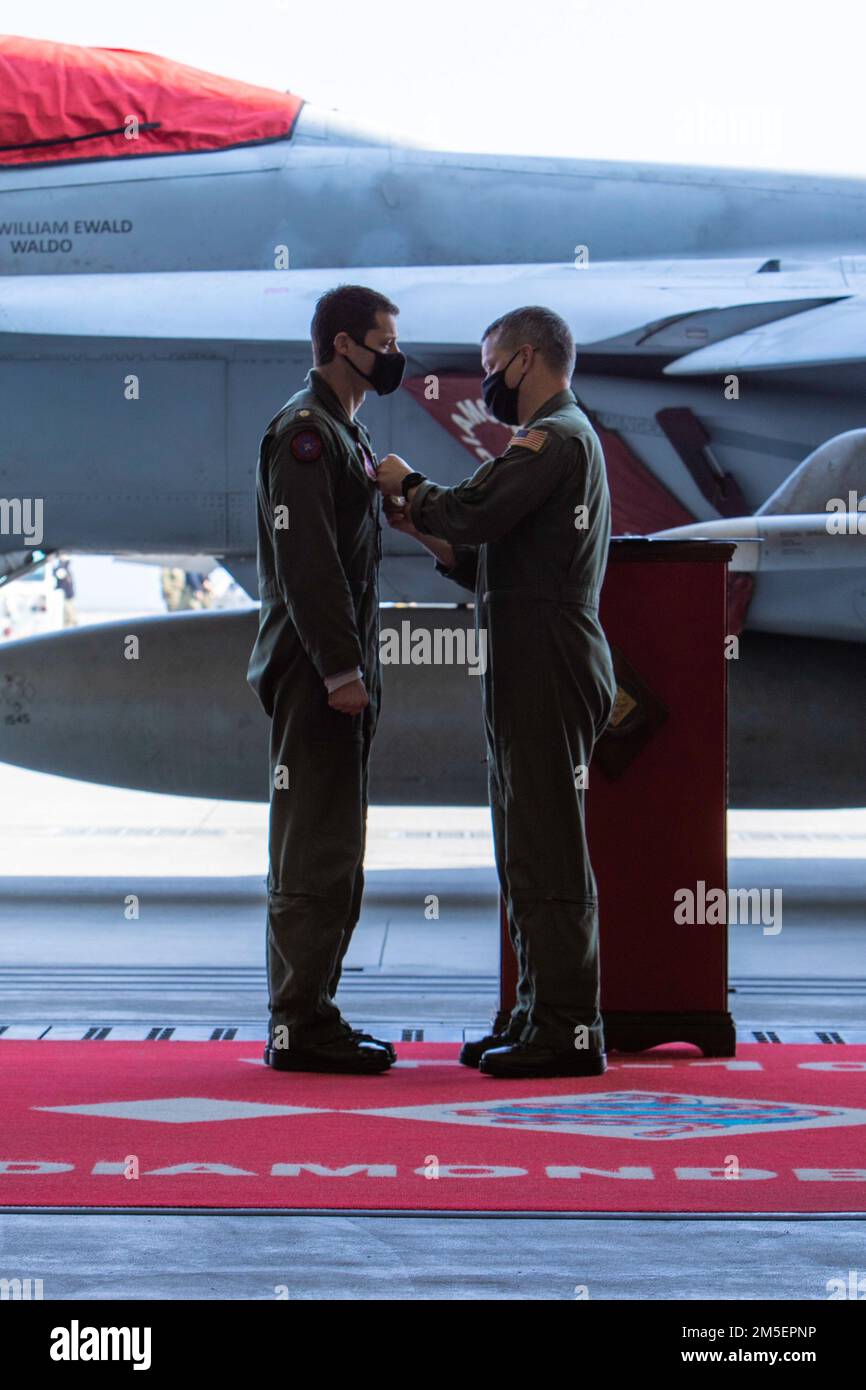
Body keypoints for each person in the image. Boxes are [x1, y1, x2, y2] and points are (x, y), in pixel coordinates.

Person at [376, 305, 617, 1079]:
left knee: (547, 844)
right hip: (529, 657)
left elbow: (475, 512)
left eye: (492, 364)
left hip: (547, 659)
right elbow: (488, 564)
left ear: (525, 359)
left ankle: (569, 1029)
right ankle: (534, 1012)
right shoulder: (552, 444)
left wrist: (407, 481)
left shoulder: (555, 439)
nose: (487, 382)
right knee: (523, 845)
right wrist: (417, 526)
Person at [247, 284, 404, 1074]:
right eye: (382, 340)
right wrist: (342, 668)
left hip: (334, 669)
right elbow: (307, 565)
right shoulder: (307, 434)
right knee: (315, 847)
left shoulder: (349, 434)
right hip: (316, 672)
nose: (392, 356)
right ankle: (299, 1024)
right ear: (343, 344)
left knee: (337, 848)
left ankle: (314, 1011)